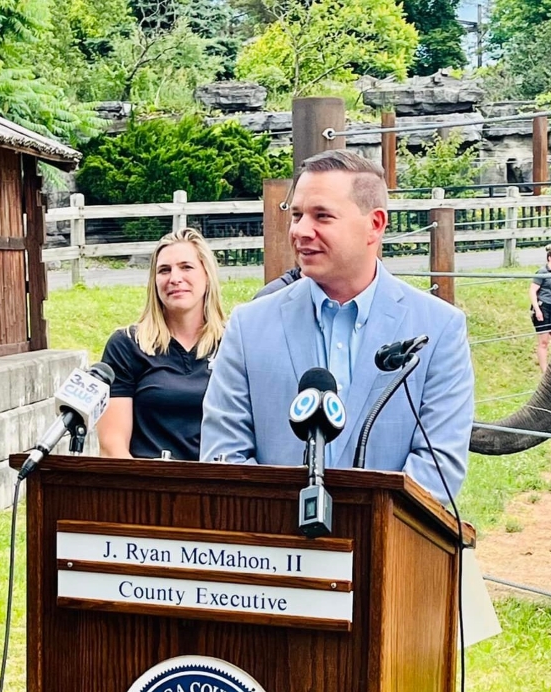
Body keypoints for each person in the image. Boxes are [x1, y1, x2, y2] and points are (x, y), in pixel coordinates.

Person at [200, 150, 474, 502]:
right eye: (296, 215)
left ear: (374, 225)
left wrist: (360, 528)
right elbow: (224, 458)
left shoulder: (438, 331)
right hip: (277, 549)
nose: (300, 230)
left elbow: (438, 470)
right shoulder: (248, 327)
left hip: (391, 550)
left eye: (322, 216)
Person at [98, 228, 226, 461]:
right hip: (146, 488)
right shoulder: (127, 346)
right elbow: (112, 448)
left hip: (218, 487)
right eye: (164, 270)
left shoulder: (234, 344)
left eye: (186, 267)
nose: (175, 278)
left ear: (207, 275)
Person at [529, 246, 551, 373]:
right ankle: (545, 371)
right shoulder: (542, 272)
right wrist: (537, 310)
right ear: (550, 258)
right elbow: (532, 291)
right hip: (543, 307)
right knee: (543, 342)